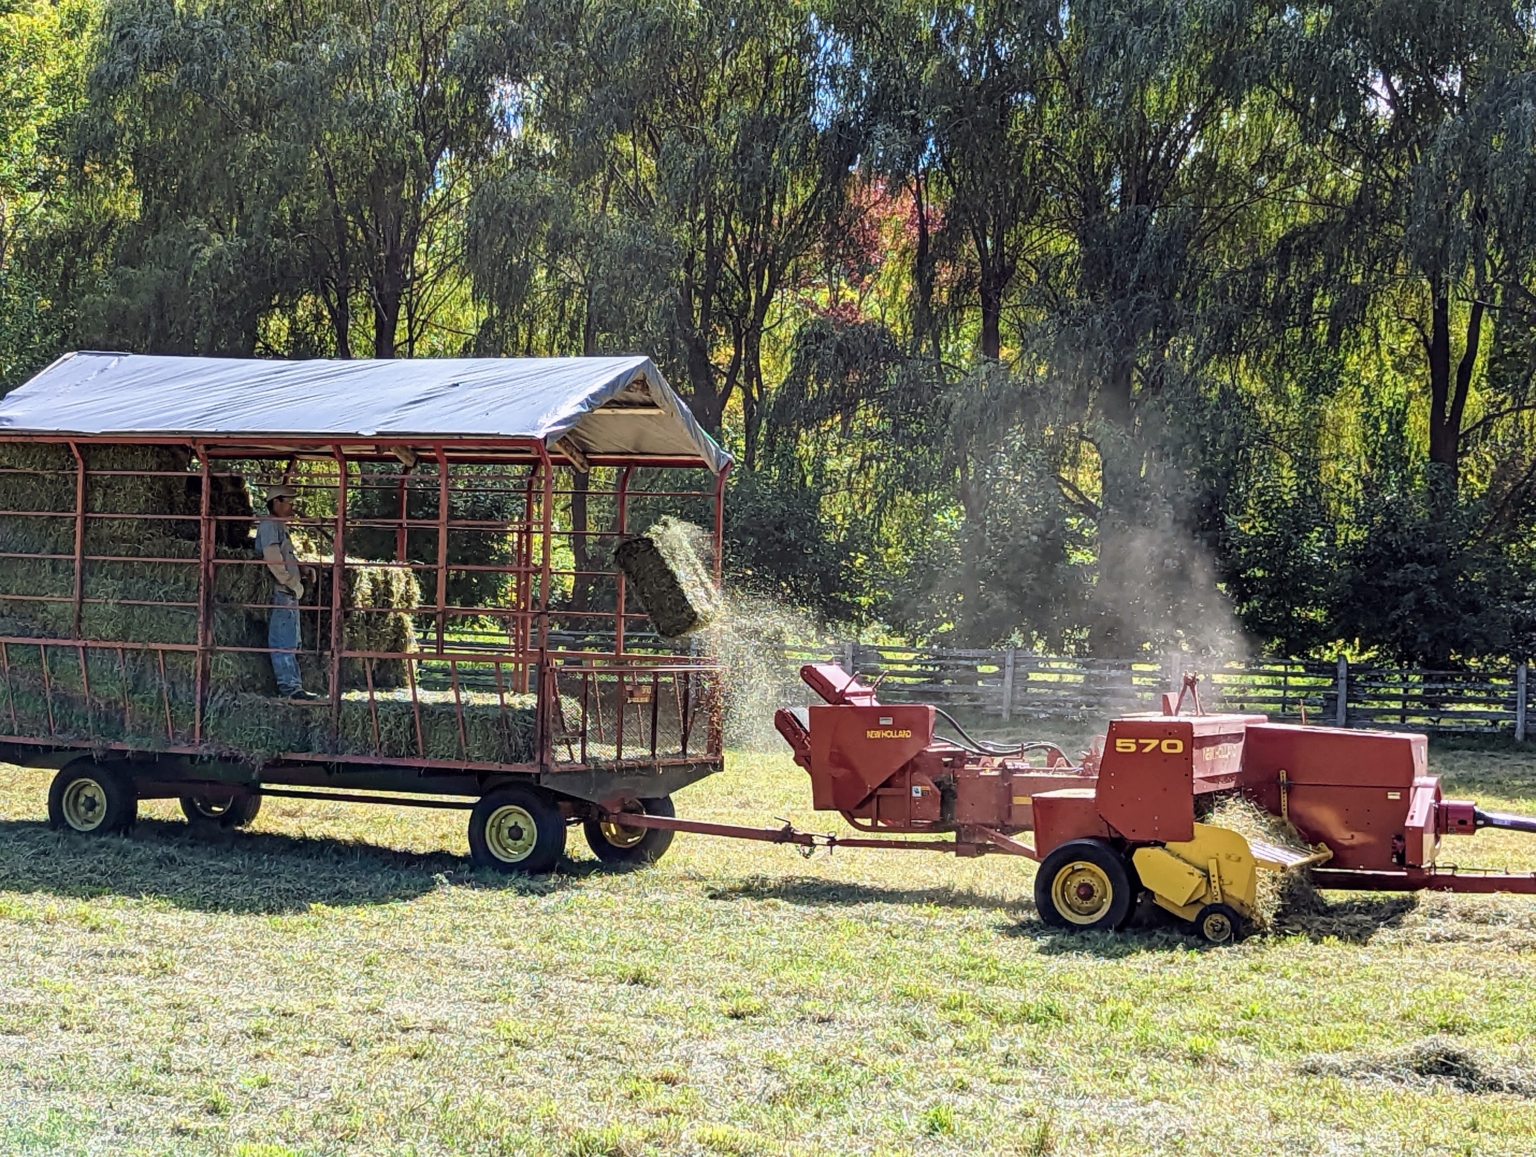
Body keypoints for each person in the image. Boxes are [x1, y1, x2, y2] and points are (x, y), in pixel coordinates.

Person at [255, 485, 318, 701]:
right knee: (283, 640)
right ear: (276, 502)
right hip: (283, 590)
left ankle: (293, 685)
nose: (291, 507)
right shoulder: (270, 526)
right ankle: (289, 688)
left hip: (288, 590)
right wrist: (291, 581)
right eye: (288, 502)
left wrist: (301, 568)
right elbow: (273, 558)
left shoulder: (278, 526)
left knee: (290, 639)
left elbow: (283, 555)